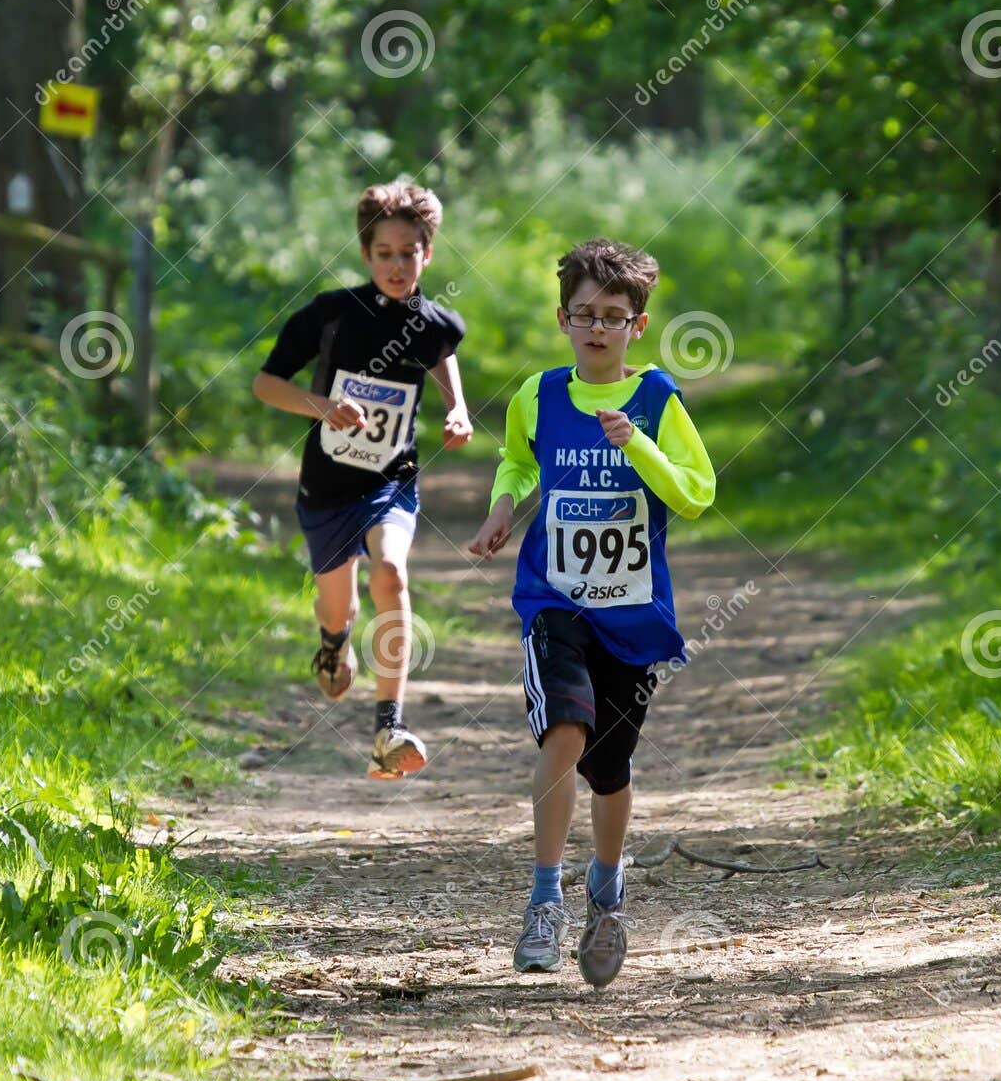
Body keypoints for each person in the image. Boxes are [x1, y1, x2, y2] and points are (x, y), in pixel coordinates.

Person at [466, 238, 715, 987]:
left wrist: (637, 442)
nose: (597, 328)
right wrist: (503, 508)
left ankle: (606, 891)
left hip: (632, 616)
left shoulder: (656, 399)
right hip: (555, 598)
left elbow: (696, 493)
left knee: (610, 768)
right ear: (563, 319)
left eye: (613, 316)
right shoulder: (537, 395)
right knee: (564, 729)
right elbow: (517, 460)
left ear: (638, 325)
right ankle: (545, 899)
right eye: (584, 315)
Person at [253, 183, 471, 780]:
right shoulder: (329, 314)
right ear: (366, 253)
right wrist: (321, 406)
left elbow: (440, 351)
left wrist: (458, 408)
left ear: (428, 253)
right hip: (327, 486)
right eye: (385, 253)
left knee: (392, 573)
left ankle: (387, 727)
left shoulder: (434, 322)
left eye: (409, 252)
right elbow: (266, 385)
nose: (397, 266)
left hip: (392, 479)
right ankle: (332, 640)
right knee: (337, 602)